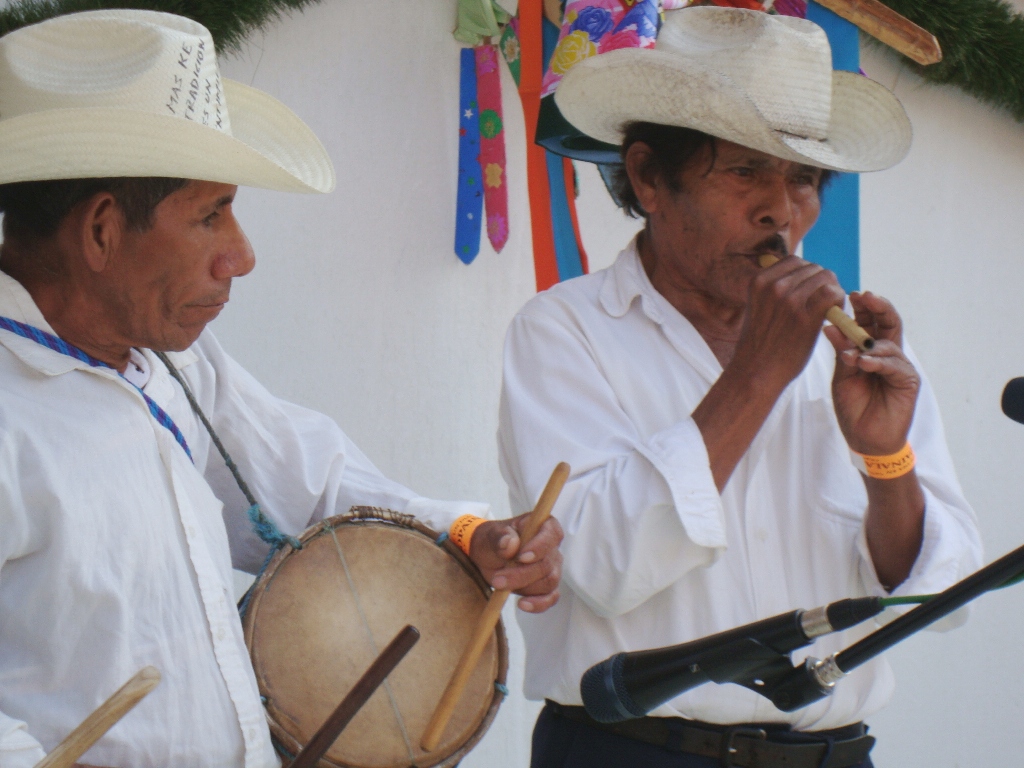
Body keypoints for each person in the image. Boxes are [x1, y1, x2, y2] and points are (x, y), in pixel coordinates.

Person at [0, 9, 562, 768]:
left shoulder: (172, 365)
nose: (241, 254)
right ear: (103, 230)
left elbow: (316, 490)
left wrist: (470, 538)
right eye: (212, 215)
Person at [497, 7, 982, 768]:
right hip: (631, 752)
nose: (781, 211)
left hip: (831, 754)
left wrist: (887, 463)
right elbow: (601, 567)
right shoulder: (564, 330)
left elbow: (934, 595)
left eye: (803, 178)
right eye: (747, 171)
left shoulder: (858, 344)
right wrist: (758, 375)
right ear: (650, 176)